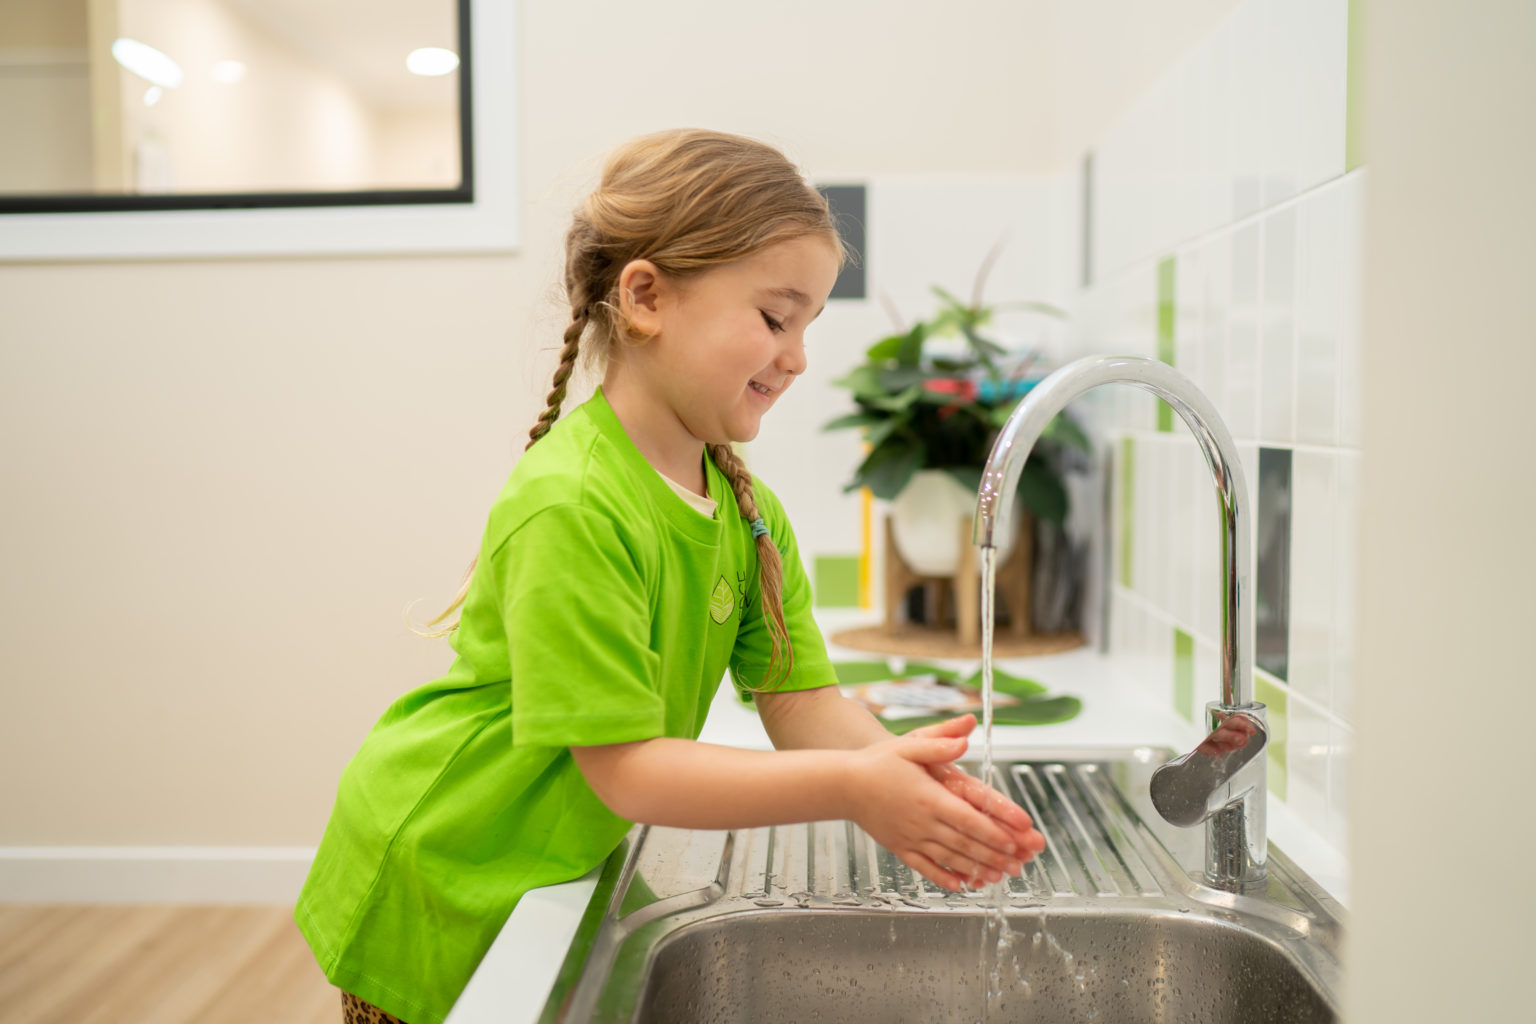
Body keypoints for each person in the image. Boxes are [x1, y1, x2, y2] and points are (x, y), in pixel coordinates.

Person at [295, 129, 1048, 1024]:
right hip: (446, 866)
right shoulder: (573, 503)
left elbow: (798, 699)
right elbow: (628, 771)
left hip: (542, 865)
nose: (799, 356)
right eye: (776, 317)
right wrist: (853, 787)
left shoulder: (745, 508)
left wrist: (896, 769)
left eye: (808, 326)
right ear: (646, 296)